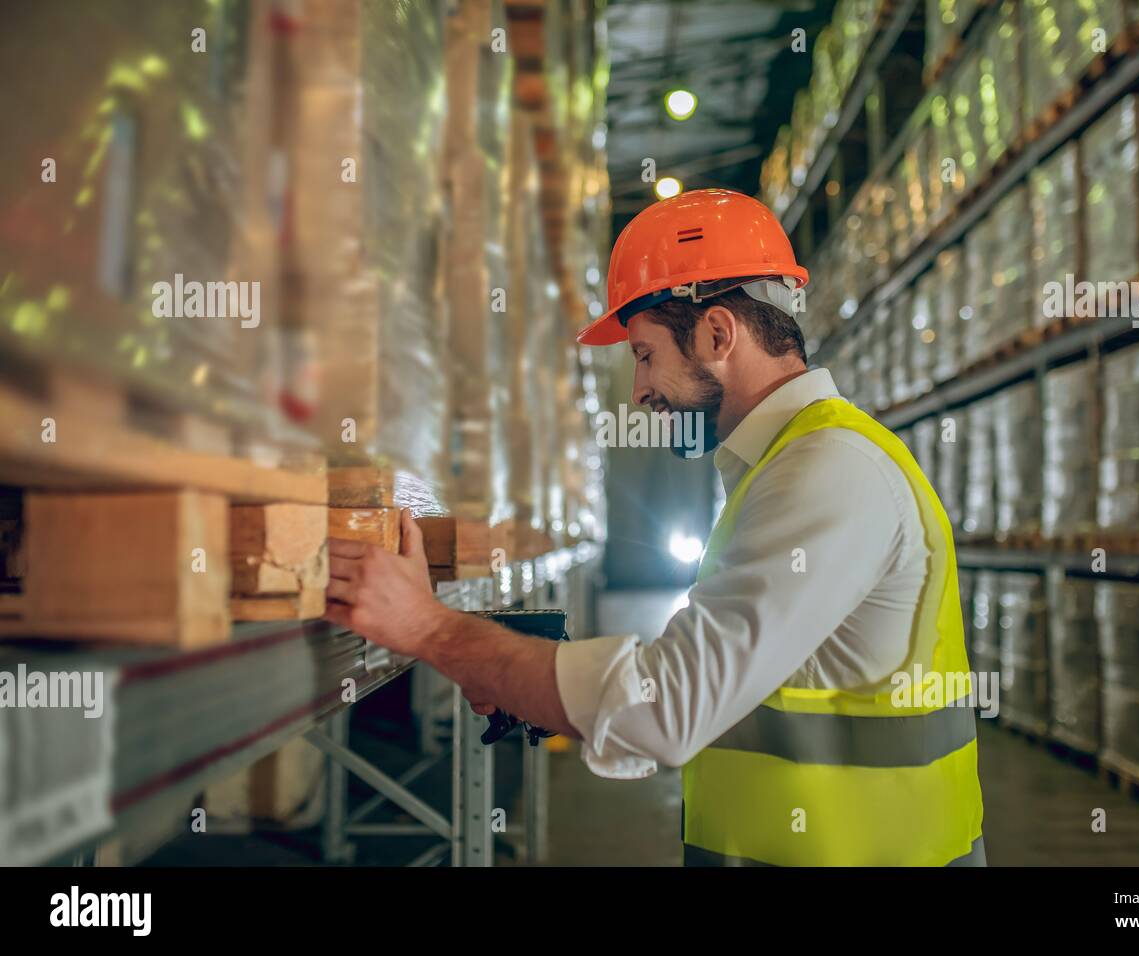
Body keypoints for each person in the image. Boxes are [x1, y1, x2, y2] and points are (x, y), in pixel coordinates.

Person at [326, 188, 985, 866]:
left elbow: (667, 709)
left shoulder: (827, 471)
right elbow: (737, 673)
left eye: (644, 355)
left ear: (718, 333)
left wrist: (430, 629)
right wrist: (528, 672)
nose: (639, 391)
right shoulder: (791, 466)